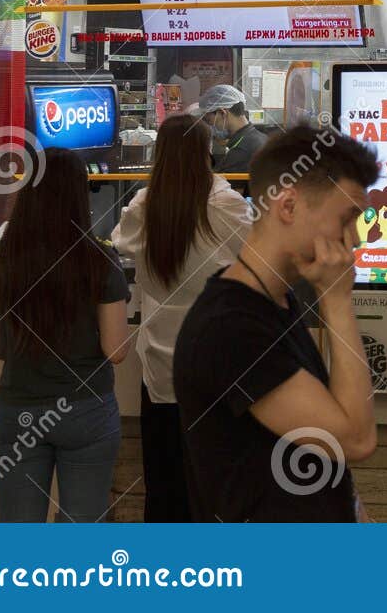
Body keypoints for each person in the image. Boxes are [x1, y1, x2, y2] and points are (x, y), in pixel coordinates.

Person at [174, 126, 380, 521]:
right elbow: (355, 439)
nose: (354, 238)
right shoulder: (231, 327)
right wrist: (337, 299)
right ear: (288, 206)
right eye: (348, 217)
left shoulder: (274, 302)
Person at [112, 114, 253, 522]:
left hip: (158, 364)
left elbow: (121, 247)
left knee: (165, 479)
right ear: (207, 150)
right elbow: (256, 259)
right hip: (218, 364)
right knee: (217, 483)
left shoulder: (144, 205)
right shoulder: (225, 205)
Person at [0, 149, 129, 522]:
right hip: (87, 412)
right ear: (78, 195)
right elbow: (116, 350)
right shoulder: (101, 260)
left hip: (19, 410)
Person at [197, 84, 268, 179]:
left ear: (222, 113)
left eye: (209, 120)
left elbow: (231, 192)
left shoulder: (241, 151)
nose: (211, 127)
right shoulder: (259, 137)